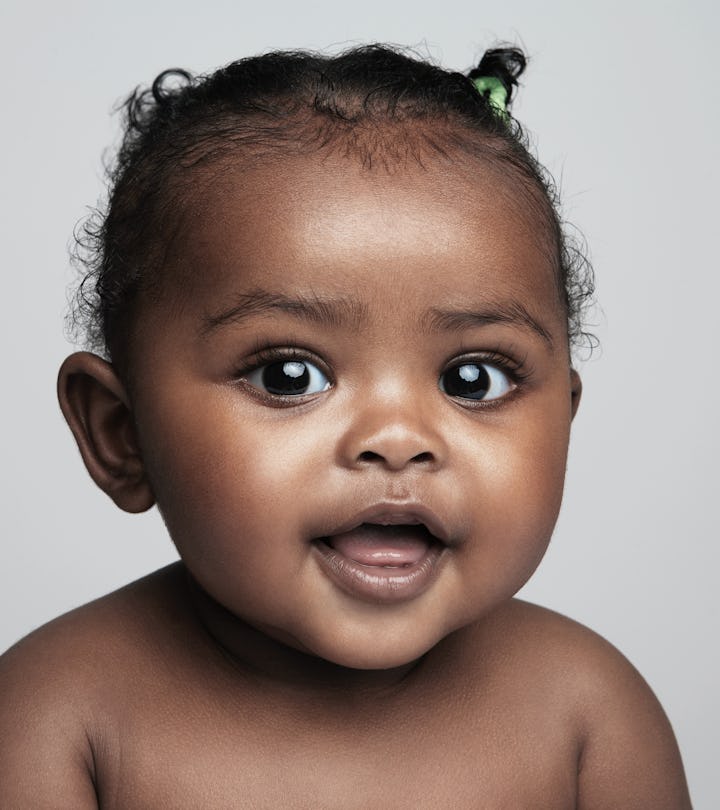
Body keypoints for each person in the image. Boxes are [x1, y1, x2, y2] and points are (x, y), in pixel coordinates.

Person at [0, 44, 692, 807]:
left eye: (474, 379)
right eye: (288, 376)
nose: (397, 437)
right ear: (120, 434)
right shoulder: (57, 718)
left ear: (563, 421)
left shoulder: (587, 715)